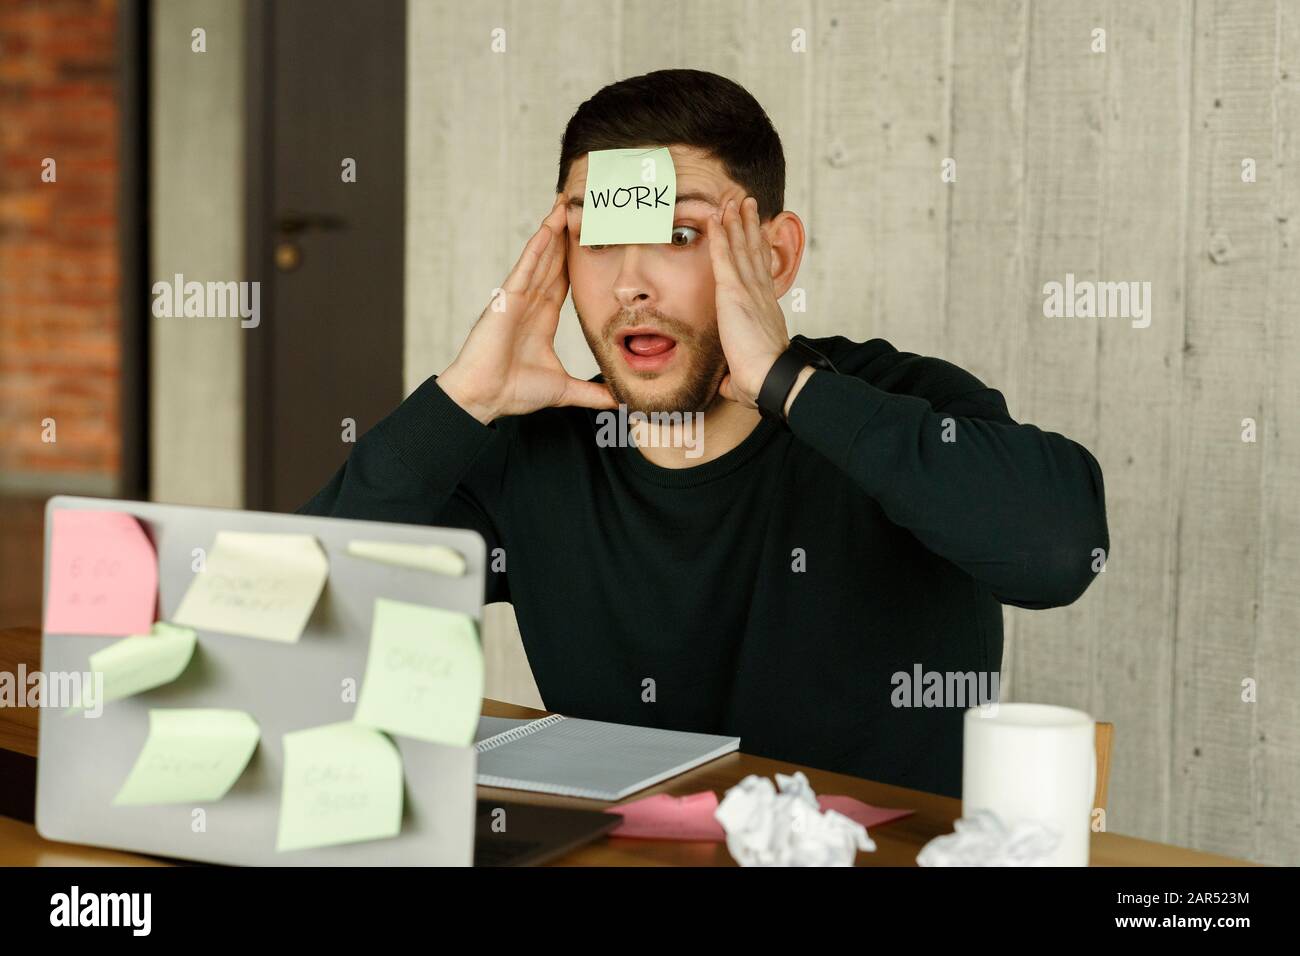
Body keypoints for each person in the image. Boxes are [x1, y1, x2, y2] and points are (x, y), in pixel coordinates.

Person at [298, 69, 1108, 797]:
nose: (630, 286)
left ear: (777, 255)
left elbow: (1061, 554)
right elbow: (303, 611)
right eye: (596, 239)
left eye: (679, 236)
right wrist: (459, 401)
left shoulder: (898, 402)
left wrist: (788, 385)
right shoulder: (526, 449)